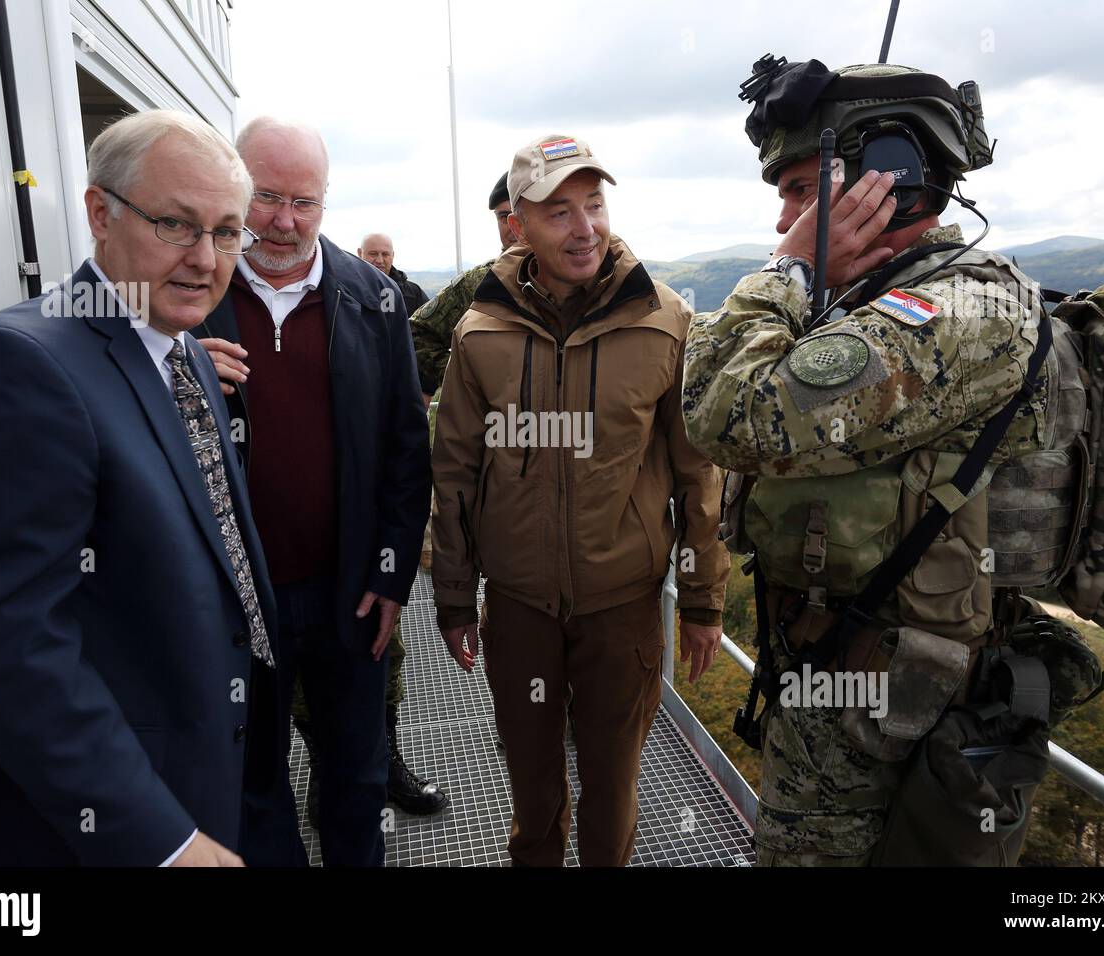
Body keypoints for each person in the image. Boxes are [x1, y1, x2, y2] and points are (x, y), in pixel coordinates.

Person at [0, 109, 304, 866]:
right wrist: (164, 841)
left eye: (225, 231)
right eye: (176, 225)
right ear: (98, 213)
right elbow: (5, 648)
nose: (206, 259)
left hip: (225, 775)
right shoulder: (14, 369)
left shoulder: (184, 356)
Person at [681, 58, 1057, 865]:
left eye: (800, 188)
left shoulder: (963, 308)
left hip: (895, 709)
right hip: (836, 687)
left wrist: (789, 268)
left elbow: (725, 411)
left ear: (891, 173)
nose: (783, 214)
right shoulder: (874, 302)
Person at [432, 135, 729, 867]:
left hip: (622, 608)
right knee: (532, 796)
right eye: (559, 211)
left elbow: (698, 476)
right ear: (518, 224)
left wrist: (702, 601)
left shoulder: (663, 321)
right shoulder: (481, 332)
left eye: (594, 204)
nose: (585, 226)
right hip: (520, 608)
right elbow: (456, 472)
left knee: (613, 790)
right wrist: (451, 597)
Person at [194, 116, 433, 863]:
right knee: (248, 779)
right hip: (232, 600)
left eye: (306, 202)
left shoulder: (374, 297)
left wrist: (393, 574)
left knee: (356, 777)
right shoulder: (186, 294)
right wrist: (175, 367)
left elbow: (406, 444)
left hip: (347, 592)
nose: (285, 221)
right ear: (235, 188)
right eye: (267, 197)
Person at [410, 173, 518, 406]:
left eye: (520, 214)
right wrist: (466, 377)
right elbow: (416, 333)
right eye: (503, 216)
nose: (512, 226)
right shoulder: (477, 283)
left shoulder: (576, 276)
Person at [359, 233, 428, 314]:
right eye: (373, 254)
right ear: (360, 253)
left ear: (393, 255)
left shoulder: (414, 294)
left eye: (385, 254)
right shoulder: (347, 290)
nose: (379, 260)